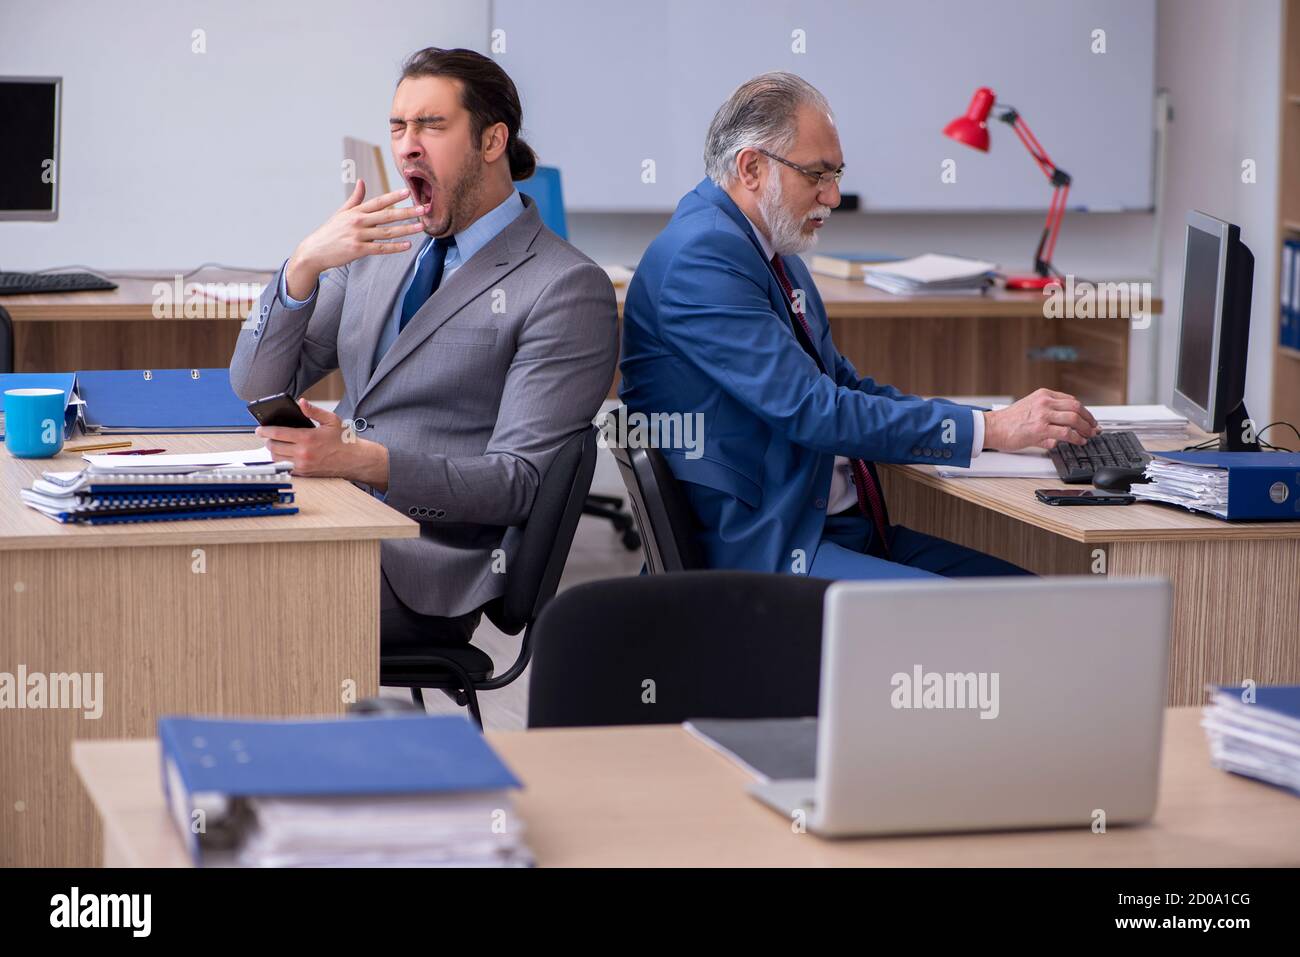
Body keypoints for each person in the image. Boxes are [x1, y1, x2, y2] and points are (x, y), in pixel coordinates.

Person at [619, 72, 1098, 580]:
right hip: (767, 552)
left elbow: (844, 388)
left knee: (1031, 592)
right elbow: (815, 410)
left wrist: (993, 424)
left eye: (837, 174)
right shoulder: (704, 257)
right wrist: (991, 429)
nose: (833, 195)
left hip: (828, 527)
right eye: (817, 175)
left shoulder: (771, 252)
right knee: (1012, 613)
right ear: (752, 167)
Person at [230, 47, 618, 650]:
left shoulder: (565, 287)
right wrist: (302, 266)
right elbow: (256, 386)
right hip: (331, 513)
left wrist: (358, 459)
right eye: (398, 126)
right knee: (178, 552)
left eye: (432, 125)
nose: (408, 145)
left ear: (493, 142)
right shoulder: (383, 246)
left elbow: (517, 484)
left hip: (423, 563)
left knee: (221, 601)